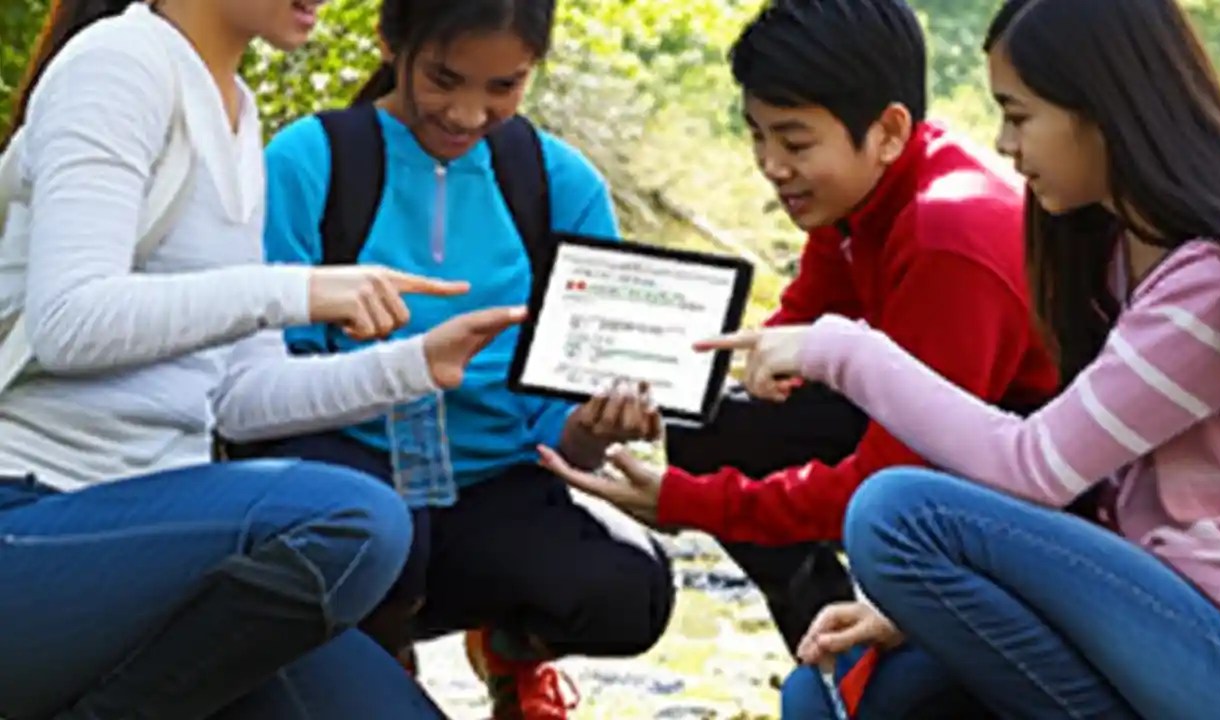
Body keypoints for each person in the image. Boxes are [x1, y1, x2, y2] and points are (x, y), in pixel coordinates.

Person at [688, 0, 1220, 717]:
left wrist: (840, 349)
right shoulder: (1111, 254)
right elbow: (1102, 503)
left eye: (1019, 116)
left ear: (1102, 110)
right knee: (824, 698)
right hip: (1138, 613)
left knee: (898, 513)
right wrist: (929, 609)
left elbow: (1036, 468)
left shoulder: (1216, 285)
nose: (1003, 143)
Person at [0, 0, 522, 718]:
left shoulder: (237, 113)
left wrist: (415, 367)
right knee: (355, 518)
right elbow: (69, 319)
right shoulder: (118, 65)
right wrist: (297, 291)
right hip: (30, 518)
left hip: (157, 537)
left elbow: (238, 393)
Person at [545, 0, 1059, 654]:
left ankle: (903, 657)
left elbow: (897, 475)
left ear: (889, 131)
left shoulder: (947, 236)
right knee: (711, 427)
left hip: (1029, 488)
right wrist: (667, 384)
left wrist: (691, 503)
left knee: (848, 497)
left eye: (794, 142)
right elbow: (791, 328)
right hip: (937, 444)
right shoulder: (856, 195)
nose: (771, 165)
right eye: (758, 136)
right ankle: (834, 647)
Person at [253, 1, 676, 717]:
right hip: (348, 486)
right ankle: (374, 661)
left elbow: (565, 413)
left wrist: (590, 430)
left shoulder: (557, 184)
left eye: (503, 87)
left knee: (630, 588)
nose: (468, 114)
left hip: (491, 488)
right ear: (394, 43)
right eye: (444, 80)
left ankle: (510, 650)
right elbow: (264, 377)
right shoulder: (308, 163)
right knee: (391, 536)